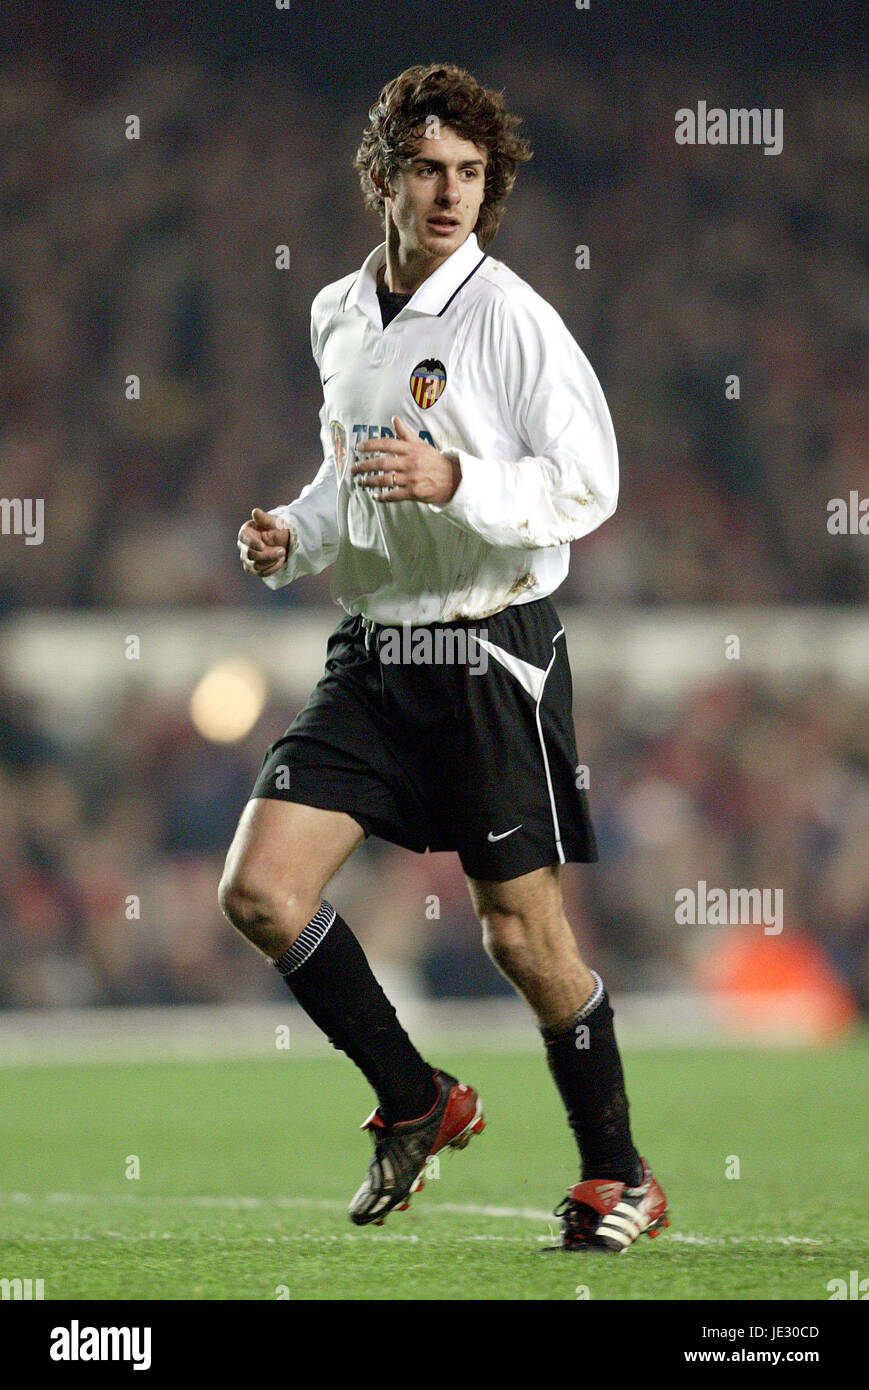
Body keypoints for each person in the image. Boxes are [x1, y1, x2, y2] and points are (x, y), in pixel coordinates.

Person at [219, 62, 668, 1251]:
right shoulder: (335, 309)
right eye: (427, 168)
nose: (449, 192)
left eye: (470, 173)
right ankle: (417, 1100)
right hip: (373, 654)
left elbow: (588, 485)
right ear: (382, 175)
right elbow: (344, 473)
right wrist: (291, 534)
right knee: (260, 890)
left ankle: (618, 1175)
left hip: (487, 654)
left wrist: (457, 476)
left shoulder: (512, 318)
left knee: (520, 938)